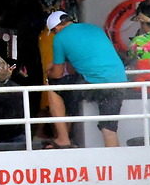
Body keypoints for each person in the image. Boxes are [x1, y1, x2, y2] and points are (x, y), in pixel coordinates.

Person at [45, 11, 126, 148]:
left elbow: (58, 74)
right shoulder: (94, 28)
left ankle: (63, 138)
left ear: (56, 28)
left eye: (53, 32)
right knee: (109, 129)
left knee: (52, 86)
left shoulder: (60, 38)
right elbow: (76, 67)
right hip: (119, 80)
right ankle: (116, 163)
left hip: (94, 83)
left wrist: (49, 72)